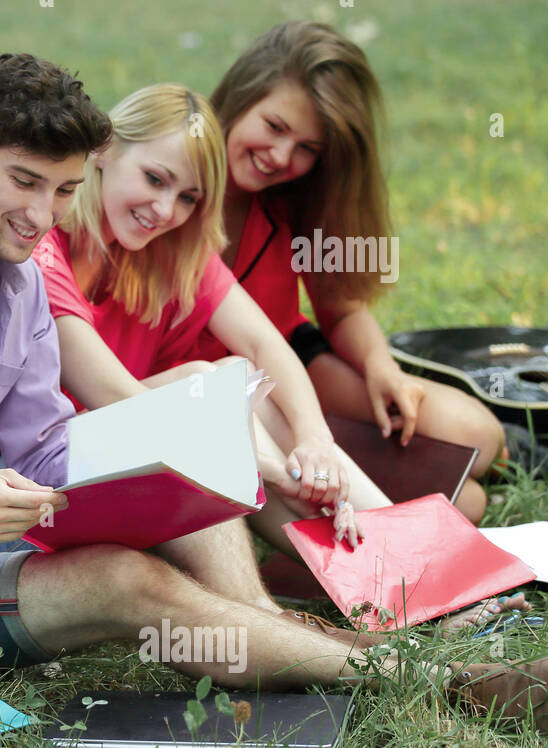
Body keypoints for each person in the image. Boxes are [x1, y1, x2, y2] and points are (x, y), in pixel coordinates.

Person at [0, 53, 547, 731]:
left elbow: (42, 442)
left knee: (189, 479)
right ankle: (418, 678)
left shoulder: (20, 276)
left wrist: (184, 445)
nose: (42, 215)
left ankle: (282, 636)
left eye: (64, 191)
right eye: (24, 182)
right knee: (122, 577)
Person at [11, 82, 387, 556]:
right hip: (32, 471)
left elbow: (265, 346)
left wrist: (316, 445)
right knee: (203, 386)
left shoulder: (172, 249)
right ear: (103, 151)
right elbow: (114, 397)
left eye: (188, 197)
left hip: (122, 446)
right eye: (155, 178)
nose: (167, 210)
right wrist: (275, 471)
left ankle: (403, 560)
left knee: (239, 376)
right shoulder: (42, 252)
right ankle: (384, 568)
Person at [193, 20, 505, 523]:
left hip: (287, 359)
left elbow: (339, 307)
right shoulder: (170, 185)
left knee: (479, 435)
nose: (280, 157)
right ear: (239, 99)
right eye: (274, 127)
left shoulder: (297, 195)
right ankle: (356, 487)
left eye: (307, 148)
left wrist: (381, 366)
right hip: (209, 378)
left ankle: (358, 465)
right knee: (465, 502)